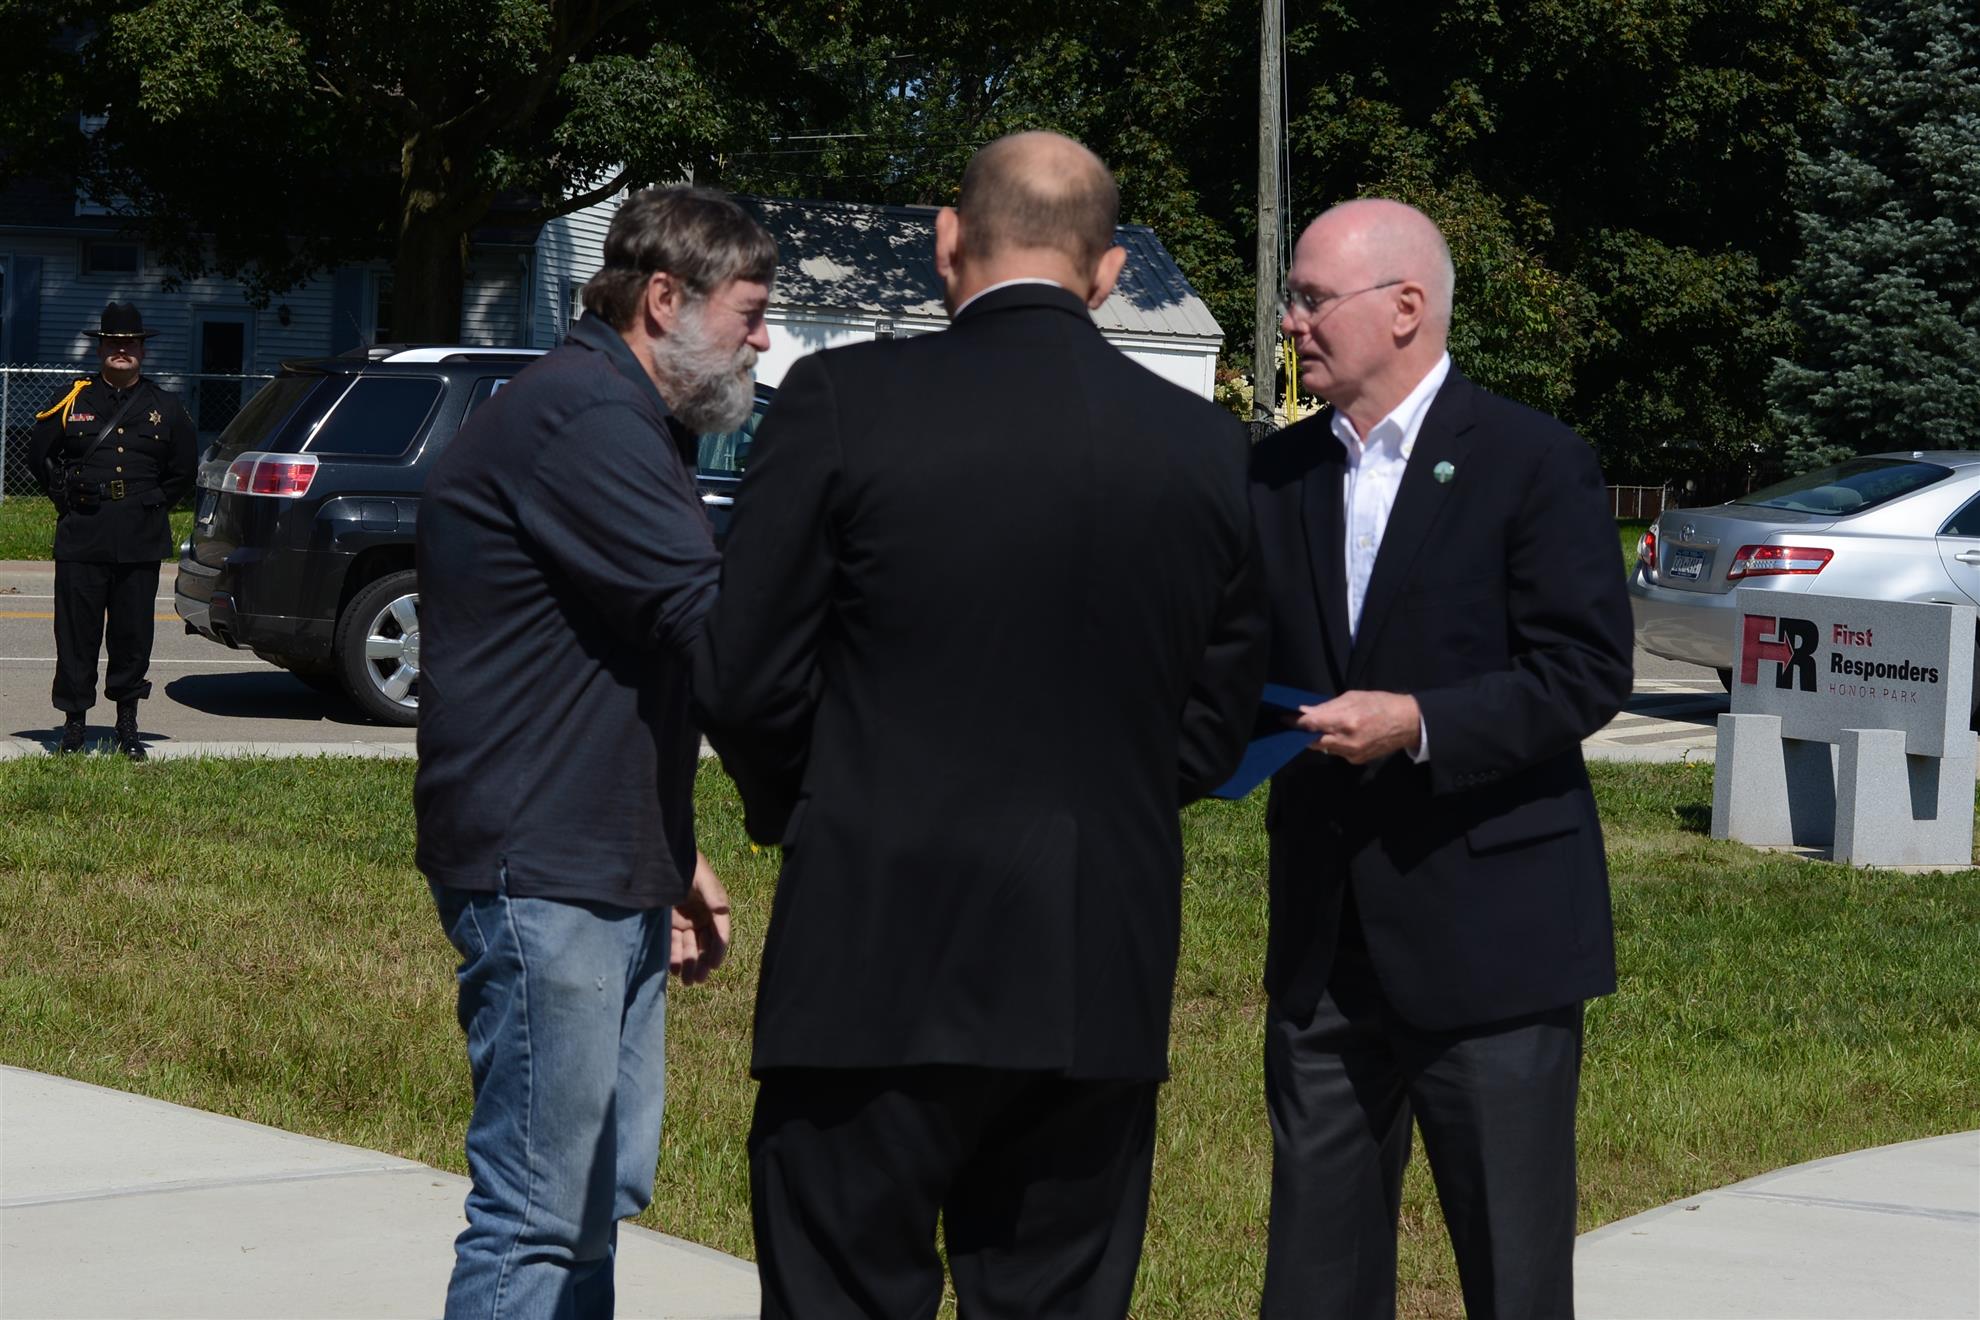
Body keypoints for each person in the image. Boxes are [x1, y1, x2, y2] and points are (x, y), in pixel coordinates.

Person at [693, 130, 1270, 1318]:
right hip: (1093, 969)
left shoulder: (845, 399)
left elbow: (745, 671)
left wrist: (819, 804)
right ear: (1109, 273)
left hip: (869, 953)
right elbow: (1214, 725)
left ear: (947, 240)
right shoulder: (1211, 451)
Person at [1248, 197, 1633, 1319]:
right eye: (1294, 300)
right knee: (1314, 1278)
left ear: (1406, 308)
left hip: (1493, 942)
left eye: (1313, 298)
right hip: (1325, 943)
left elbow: (1584, 673)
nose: (1292, 322)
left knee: (1512, 1274)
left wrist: (1418, 721)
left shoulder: (1531, 459)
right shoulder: (1274, 474)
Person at [414, 185, 772, 1318]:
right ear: (664, 299)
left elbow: (631, 671)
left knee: (587, 1204)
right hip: (543, 868)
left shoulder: (622, 416)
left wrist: (672, 850)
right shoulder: (585, 417)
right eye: (750, 311)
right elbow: (706, 625)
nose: (763, 340)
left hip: (597, 859)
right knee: (537, 1213)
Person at [27, 301, 196, 759]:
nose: (122, 351)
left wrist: (152, 502)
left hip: (139, 537)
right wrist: (63, 497)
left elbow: (183, 470)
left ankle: (127, 725)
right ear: (101, 348)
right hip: (83, 533)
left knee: (132, 635)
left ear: (143, 349)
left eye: (130, 344)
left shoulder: (166, 406)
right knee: (76, 635)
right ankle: (74, 726)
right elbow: (37, 455)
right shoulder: (72, 400)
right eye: (114, 344)